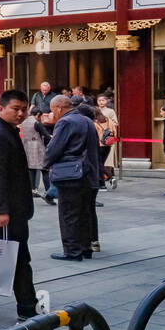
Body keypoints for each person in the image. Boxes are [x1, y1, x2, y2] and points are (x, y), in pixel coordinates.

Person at [0, 89, 38, 322]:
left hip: (16, 209)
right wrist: (0, 210)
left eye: (23, 109)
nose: (20, 113)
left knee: (18, 258)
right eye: (15, 108)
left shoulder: (7, 131)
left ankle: (28, 305)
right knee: (18, 259)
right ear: (1, 108)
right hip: (8, 212)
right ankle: (27, 307)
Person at [44, 95, 100, 260]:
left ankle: (72, 251)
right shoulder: (87, 121)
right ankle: (85, 247)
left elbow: (55, 148)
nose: (52, 113)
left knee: (68, 213)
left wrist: (46, 162)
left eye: (53, 110)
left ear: (59, 107)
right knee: (84, 212)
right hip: (88, 173)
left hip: (70, 174)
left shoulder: (65, 122)